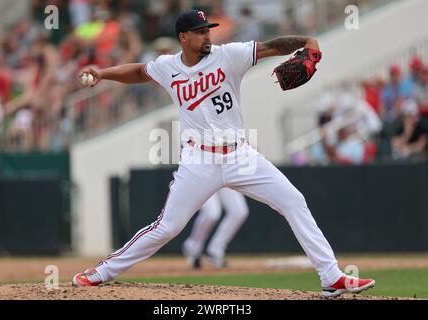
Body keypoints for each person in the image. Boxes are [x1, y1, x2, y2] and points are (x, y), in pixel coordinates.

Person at [72, 9, 375, 298]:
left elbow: (272, 45)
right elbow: (139, 72)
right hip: (199, 160)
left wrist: (308, 43)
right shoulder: (167, 67)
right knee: (168, 227)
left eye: (207, 30)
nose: (207, 36)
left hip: (240, 156)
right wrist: (103, 73)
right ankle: (103, 271)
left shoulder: (229, 55)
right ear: (183, 38)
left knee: (294, 201)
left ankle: (331, 277)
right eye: (199, 32)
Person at [182, 188, 249, 269]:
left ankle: (215, 251)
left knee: (239, 212)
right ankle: (192, 246)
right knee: (212, 214)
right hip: (204, 177)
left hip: (227, 176)